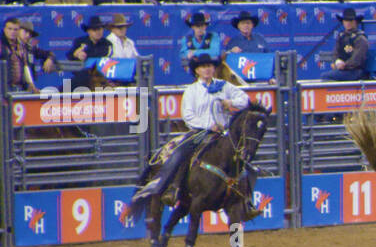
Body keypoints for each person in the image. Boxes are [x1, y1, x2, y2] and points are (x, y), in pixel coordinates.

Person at [130, 53, 250, 213]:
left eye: (210, 66)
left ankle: (245, 200)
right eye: (203, 67)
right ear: (197, 71)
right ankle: (173, 188)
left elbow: (245, 99)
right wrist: (209, 125)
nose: (207, 69)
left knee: (243, 160)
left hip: (223, 134)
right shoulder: (192, 91)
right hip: (199, 133)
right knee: (180, 154)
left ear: (214, 68)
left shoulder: (224, 86)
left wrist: (231, 102)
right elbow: (188, 116)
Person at [321, 8, 369, 81]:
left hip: (356, 71)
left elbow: (357, 59)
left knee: (326, 76)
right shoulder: (341, 36)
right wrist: (337, 61)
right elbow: (336, 52)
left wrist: (344, 65)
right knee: (327, 75)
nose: (348, 23)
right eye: (346, 20)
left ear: (356, 22)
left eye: (351, 20)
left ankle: (336, 92)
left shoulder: (361, 39)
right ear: (343, 22)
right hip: (344, 70)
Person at [68, 15, 111, 87]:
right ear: (88, 31)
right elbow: (69, 56)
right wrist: (76, 54)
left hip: (100, 77)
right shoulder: (80, 42)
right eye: (94, 29)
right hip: (81, 77)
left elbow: (102, 56)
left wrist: (86, 55)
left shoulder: (107, 43)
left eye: (100, 29)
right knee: (69, 85)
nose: (98, 32)